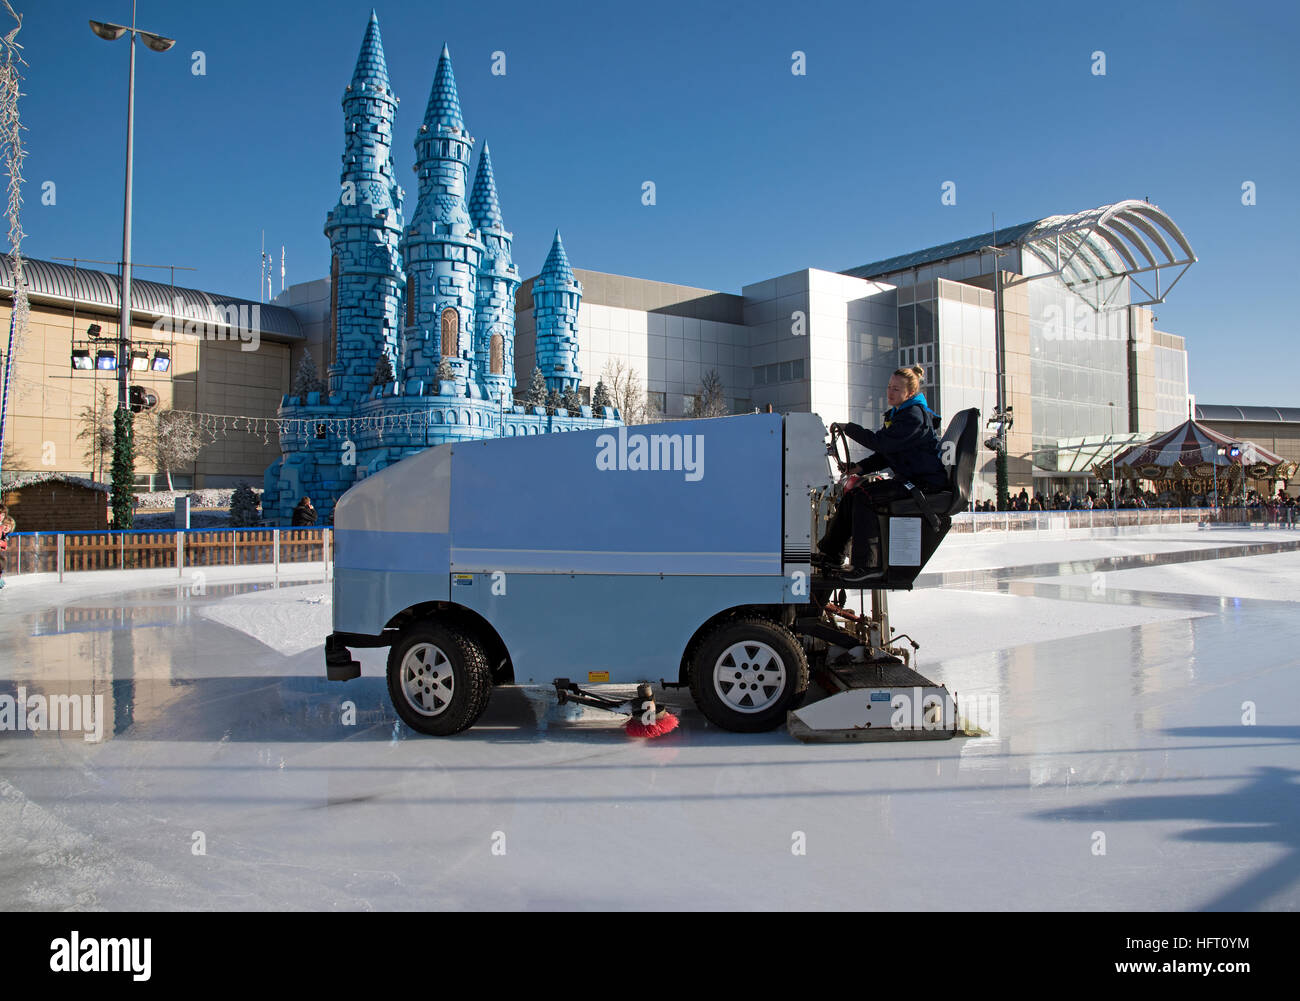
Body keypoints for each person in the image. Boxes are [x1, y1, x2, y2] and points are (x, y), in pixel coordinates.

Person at [814, 365, 948, 583]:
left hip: (923, 484)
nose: (890, 392)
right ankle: (831, 554)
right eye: (889, 387)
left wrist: (849, 428)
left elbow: (880, 443)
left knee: (865, 498)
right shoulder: (900, 415)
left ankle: (868, 565)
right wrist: (858, 468)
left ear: (910, 393)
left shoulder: (913, 417)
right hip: (910, 480)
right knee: (853, 494)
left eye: (896, 389)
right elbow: (887, 453)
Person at [0, 504, 14, 590]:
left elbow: (4, 544)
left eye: (2, 515)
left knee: (2, 562)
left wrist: (3, 544)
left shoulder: (2, 527)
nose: (1, 517)